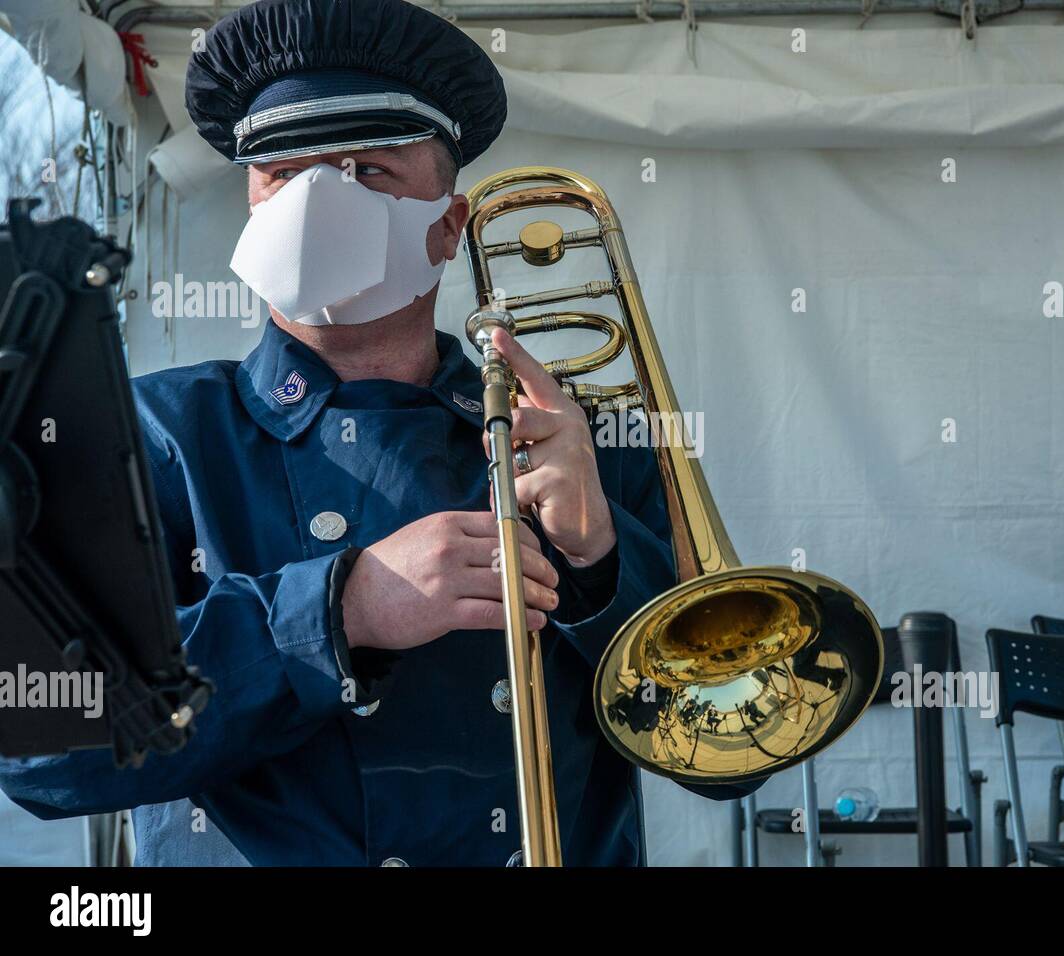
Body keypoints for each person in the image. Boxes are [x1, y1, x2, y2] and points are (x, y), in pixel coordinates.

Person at [0, 0, 756, 866]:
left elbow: (731, 757)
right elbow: (44, 746)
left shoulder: (578, 439)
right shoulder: (153, 432)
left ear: (450, 226)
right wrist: (336, 611)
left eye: (366, 169)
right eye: (281, 172)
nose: (316, 200)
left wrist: (602, 562)